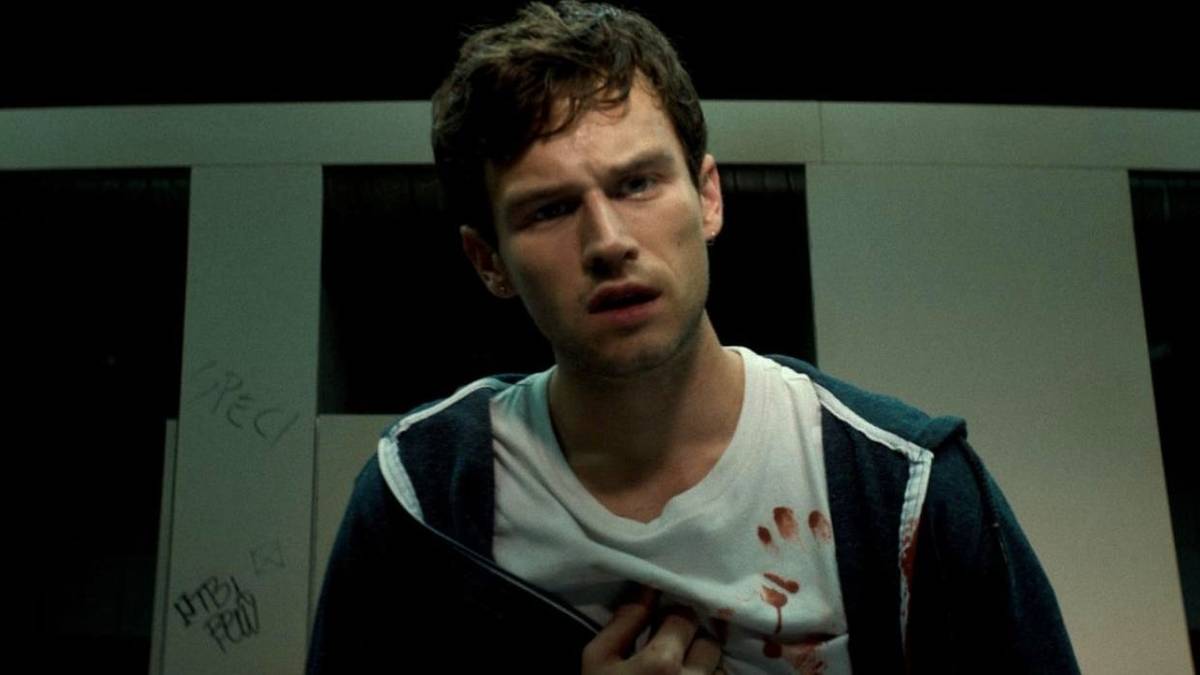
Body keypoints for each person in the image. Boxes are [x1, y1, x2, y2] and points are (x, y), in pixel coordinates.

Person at [307, 2, 1080, 673]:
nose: (608, 241)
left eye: (638, 183)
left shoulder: (902, 490)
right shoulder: (423, 499)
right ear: (489, 262)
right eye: (549, 210)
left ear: (708, 197)